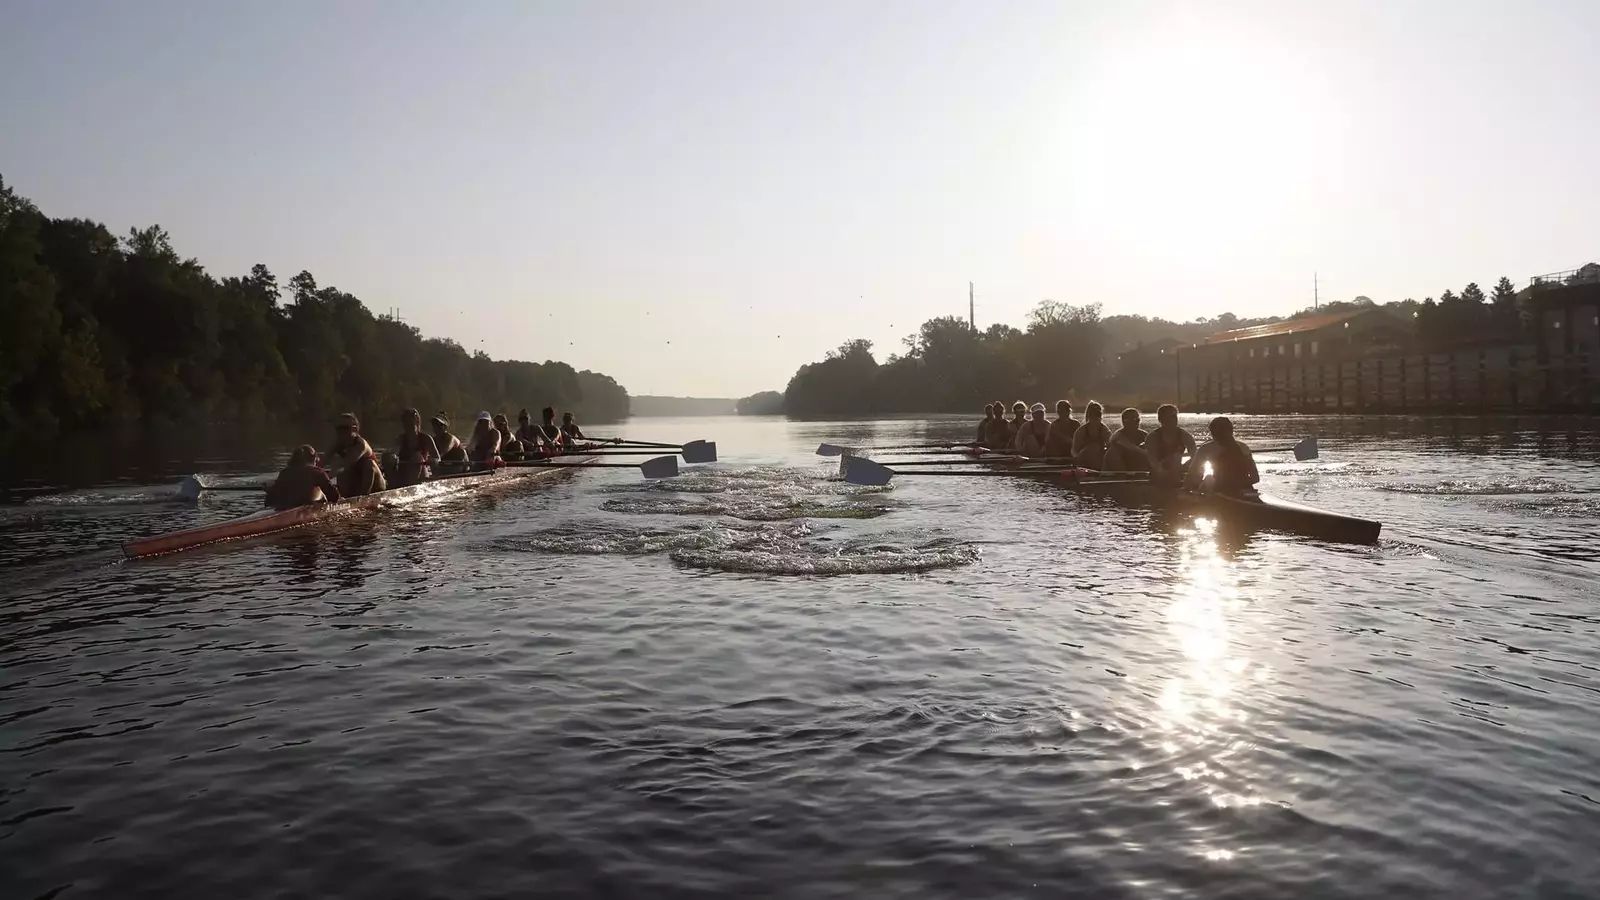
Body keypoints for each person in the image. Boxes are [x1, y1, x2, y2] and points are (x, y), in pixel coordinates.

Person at [1185, 416, 1260, 494]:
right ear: (1231, 431)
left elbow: (1192, 477)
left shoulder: (1206, 448)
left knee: (1209, 478)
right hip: (1247, 490)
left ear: (1213, 433)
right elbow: (1255, 478)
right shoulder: (1244, 447)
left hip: (1221, 490)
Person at [325, 412, 386, 497]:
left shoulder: (361, 445)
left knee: (369, 464)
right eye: (339, 429)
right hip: (355, 483)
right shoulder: (337, 444)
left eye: (345, 428)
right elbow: (323, 462)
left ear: (354, 429)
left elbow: (346, 464)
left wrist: (329, 476)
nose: (341, 432)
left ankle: (364, 497)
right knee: (339, 473)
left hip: (375, 485)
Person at [264, 445, 341, 510]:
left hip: (283, 508)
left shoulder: (285, 472)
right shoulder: (318, 472)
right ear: (313, 458)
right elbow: (334, 497)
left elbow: (269, 500)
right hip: (303, 509)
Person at [384, 408, 441, 488]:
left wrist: (434, 460)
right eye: (406, 423)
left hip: (421, 474)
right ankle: (392, 487)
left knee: (417, 456)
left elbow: (437, 458)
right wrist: (392, 457)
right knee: (386, 457)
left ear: (417, 423)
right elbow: (394, 451)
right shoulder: (400, 439)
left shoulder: (426, 438)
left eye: (411, 424)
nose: (408, 427)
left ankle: (408, 487)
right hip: (404, 474)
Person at [1145, 404, 1198, 486]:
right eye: (1170, 417)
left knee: (1176, 457)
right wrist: (1162, 471)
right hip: (1158, 472)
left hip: (1177, 471)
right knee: (1173, 458)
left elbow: (1195, 456)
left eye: (1174, 416)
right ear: (1161, 419)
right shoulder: (1153, 437)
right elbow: (1152, 460)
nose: (1173, 420)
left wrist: (1182, 468)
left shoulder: (1184, 435)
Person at [1103, 408, 1149, 472]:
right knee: (1112, 451)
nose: (1136, 423)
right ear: (1124, 422)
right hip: (1120, 466)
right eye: (1133, 420)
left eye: (1137, 420)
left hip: (1136, 466)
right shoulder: (1117, 436)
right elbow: (1132, 448)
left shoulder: (1144, 435)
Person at [1072, 401, 1111, 470]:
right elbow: (1074, 451)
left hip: (1099, 459)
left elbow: (1110, 447)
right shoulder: (1081, 431)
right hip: (1084, 460)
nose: (1095, 418)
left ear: (1101, 416)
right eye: (1093, 415)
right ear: (1089, 416)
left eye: (1098, 415)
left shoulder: (1104, 430)